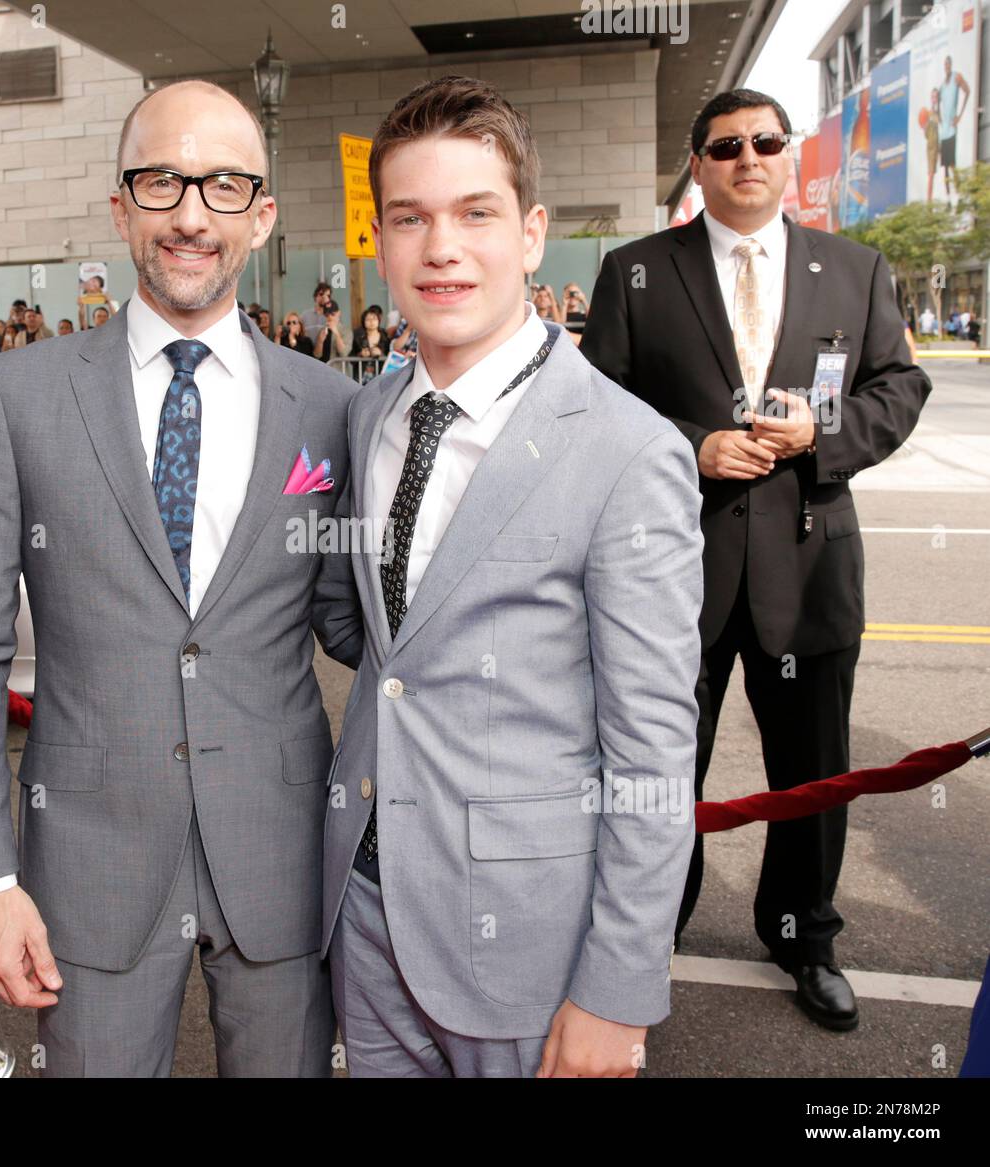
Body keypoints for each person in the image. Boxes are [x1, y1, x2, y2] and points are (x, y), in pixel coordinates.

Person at [0, 77, 362, 1079]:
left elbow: (354, 625)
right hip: (88, 854)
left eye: (221, 186)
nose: (191, 215)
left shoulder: (330, 408)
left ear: (262, 216)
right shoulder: (16, 394)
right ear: (122, 208)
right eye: (163, 182)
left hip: (279, 845)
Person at [320, 75, 703, 1079]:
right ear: (380, 240)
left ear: (530, 234)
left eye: (474, 213)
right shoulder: (371, 417)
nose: (440, 248)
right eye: (409, 218)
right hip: (363, 911)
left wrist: (618, 989)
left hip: (525, 944)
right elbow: (388, 653)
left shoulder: (628, 450)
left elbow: (654, 747)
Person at [581, 87, 931, 1033]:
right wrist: (691, 444)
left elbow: (900, 386)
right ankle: (647, 933)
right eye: (726, 145)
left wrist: (824, 434)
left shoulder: (854, 269)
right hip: (669, 576)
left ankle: (804, 935)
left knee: (812, 775)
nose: (748, 157)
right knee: (657, 777)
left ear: (789, 158)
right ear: (697, 164)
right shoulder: (636, 270)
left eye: (767, 142)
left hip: (810, 568)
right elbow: (593, 403)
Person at [935, 56, 971, 199]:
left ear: (951, 65)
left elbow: (967, 91)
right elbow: (937, 106)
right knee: (945, 167)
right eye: (945, 65)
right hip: (943, 131)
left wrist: (960, 115)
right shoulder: (942, 86)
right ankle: (949, 198)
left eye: (949, 64)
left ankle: (960, 194)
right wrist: (939, 119)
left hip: (951, 130)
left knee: (952, 165)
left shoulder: (957, 77)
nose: (947, 67)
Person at [354, 303, 389, 381]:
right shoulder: (358, 337)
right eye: (368, 319)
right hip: (362, 375)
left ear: (379, 321)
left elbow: (390, 355)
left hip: (380, 375)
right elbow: (351, 355)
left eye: (374, 319)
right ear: (363, 322)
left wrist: (381, 354)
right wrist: (360, 354)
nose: (371, 322)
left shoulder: (385, 337)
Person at [312, 298, 351, 363]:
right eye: (327, 315)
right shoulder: (322, 331)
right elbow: (317, 355)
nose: (330, 317)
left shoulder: (346, 330)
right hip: (323, 370)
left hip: (338, 371)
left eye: (333, 314)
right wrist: (320, 341)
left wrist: (336, 333)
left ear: (339, 313)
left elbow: (343, 353)